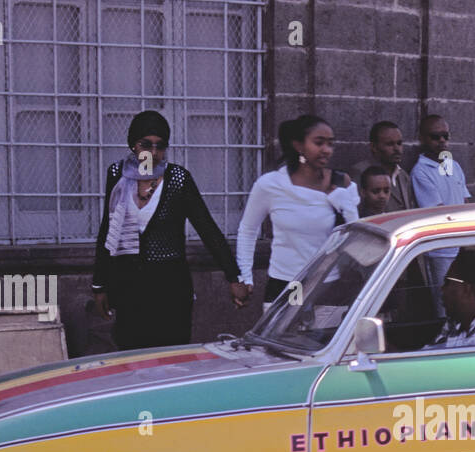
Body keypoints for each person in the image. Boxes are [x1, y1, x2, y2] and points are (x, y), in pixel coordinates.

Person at [91, 110, 243, 350]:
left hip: (170, 290)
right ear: (133, 144)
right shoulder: (116, 175)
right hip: (129, 287)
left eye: (160, 146)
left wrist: (233, 276)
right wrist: (99, 285)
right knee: (132, 360)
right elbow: (108, 229)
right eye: (146, 144)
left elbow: (207, 228)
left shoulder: (178, 180)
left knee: (170, 361)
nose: (153, 153)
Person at [235, 114, 359, 304]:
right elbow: (248, 230)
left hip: (328, 285)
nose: (326, 150)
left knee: (327, 334)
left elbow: (355, 233)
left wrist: (341, 201)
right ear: (299, 145)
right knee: (284, 334)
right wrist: (244, 277)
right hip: (288, 284)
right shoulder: (271, 185)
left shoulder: (340, 182)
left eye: (330, 144)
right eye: (319, 143)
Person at [411, 114, 470, 315]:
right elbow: (439, 211)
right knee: (444, 306)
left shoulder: (454, 166)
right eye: (435, 137)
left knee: (465, 303)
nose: (442, 141)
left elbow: (465, 203)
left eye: (445, 136)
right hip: (440, 251)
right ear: (423, 139)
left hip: (461, 248)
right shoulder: (421, 172)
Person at [353, 121, 417, 213]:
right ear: (374, 147)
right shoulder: (360, 172)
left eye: (399, 143)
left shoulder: (403, 176)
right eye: (390, 144)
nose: (397, 149)